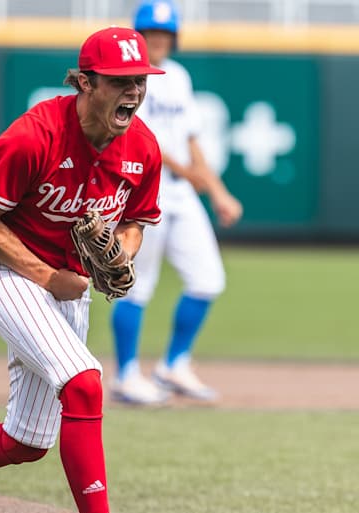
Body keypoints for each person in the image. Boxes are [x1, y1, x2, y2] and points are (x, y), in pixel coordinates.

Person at [0, 27, 164, 513]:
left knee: (26, 441)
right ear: (84, 83)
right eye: (120, 80)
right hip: (7, 272)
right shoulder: (32, 137)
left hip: (71, 285)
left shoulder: (143, 148)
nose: (134, 91)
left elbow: (135, 222)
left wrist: (121, 252)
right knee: (85, 381)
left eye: (140, 80)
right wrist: (46, 278)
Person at [110, 0, 244, 406]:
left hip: (182, 193)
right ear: (139, 36)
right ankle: (127, 374)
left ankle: (174, 364)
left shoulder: (179, 77)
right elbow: (138, 134)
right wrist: (189, 172)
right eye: (152, 34)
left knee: (207, 279)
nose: (159, 41)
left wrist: (217, 191)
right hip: (144, 189)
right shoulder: (128, 78)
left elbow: (189, 139)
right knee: (137, 284)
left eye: (165, 34)